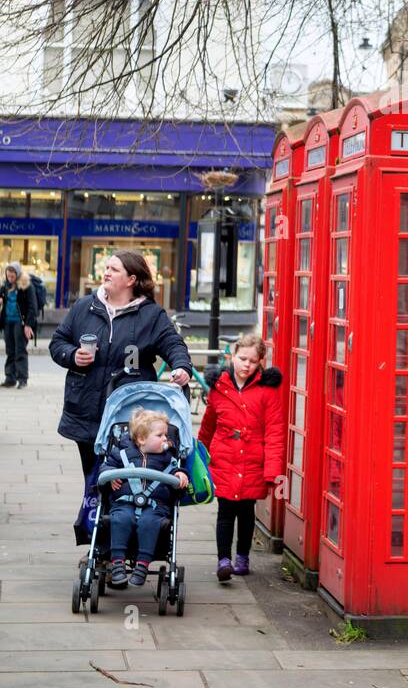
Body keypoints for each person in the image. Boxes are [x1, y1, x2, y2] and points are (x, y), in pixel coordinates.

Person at [50, 250, 193, 477]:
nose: (106, 273)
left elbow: (174, 345)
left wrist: (182, 367)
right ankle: (91, 511)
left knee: (123, 475)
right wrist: (73, 355)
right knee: (93, 476)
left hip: (129, 413)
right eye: (106, 268)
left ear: (131, 280)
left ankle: (110, 512)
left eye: (114, 269)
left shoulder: (151, 315)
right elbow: (58, 342)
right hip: (86, 408)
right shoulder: (84, 306)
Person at [198, 334, 285, 581]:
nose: (247, 365)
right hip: (224, 459)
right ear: (232, 356)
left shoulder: (267, 392)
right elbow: (207, 426)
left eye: (253, 361)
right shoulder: (218, 388)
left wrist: (272, 471)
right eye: (243, 358)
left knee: (247, 513)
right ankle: (223, 560)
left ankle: (243, 557)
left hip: (253, 461)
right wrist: (198, 459)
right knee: (225, 511)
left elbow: (275, 432)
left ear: (260, 363)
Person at [103, 408, 189, 587]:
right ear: (142, 439)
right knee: (119, 519)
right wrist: (110, 476)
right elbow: (106, 467)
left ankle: (143, 564)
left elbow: (176, 470)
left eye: (166, 435)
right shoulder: (122, 454)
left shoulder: (167, 459)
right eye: (160, 435)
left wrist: (181, 475)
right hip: (124, 502)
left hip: (155, 506)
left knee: (149, 523)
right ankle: (117, 562)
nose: (166, 439)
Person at [0, 263, 38, 388]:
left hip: (20, 323)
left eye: (12, 276)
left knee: (20, 350)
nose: (10, 278)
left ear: (17, 274)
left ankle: (22, 379)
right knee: (10, 350)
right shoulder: (5, 286)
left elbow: (33, 307)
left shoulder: (26, 285)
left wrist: (28, 325)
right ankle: (10, 378)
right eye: (8, 276)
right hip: (7, 322)